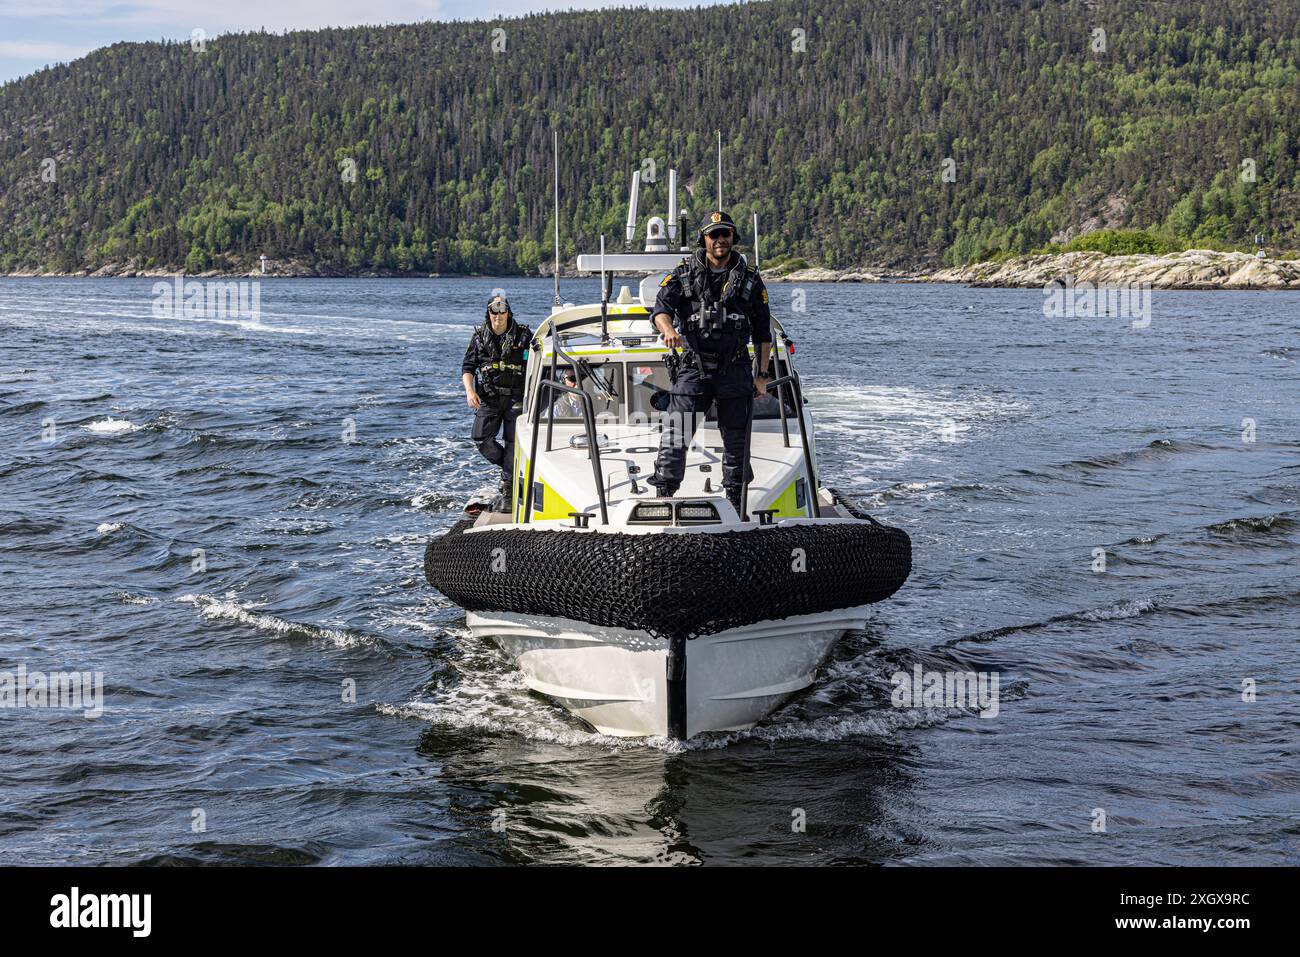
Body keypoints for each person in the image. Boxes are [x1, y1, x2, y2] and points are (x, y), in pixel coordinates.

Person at [648, 210, 773, 515]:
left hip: (735, 368)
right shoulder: (682, 275)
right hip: (693, 368)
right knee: (675, 438)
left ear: (733, 238)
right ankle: (663, 500)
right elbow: (660, 310)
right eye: (713, 234)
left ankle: (736, 505)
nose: (720, 240)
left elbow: (763, 333)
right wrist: (669, 331)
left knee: (737, 443)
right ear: (704, 239)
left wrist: (762, 376)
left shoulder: (751, 281)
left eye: (725, 234)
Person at [461, 295, 532, 493]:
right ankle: (512, 467)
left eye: (502, 310)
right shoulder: (478, 338)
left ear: (508, 312)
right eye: (494, 310)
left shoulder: (524, 335)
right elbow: (467, 368)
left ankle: (508, 485)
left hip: (516, 397)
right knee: (481, 439)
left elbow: (538, 360)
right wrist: (469, 391)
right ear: (489, 313)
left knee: (512, 441)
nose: (498, 315)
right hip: (489, 398)